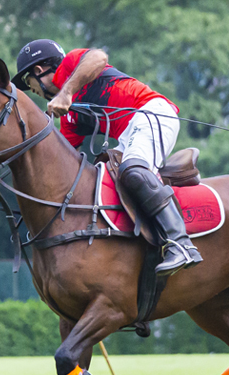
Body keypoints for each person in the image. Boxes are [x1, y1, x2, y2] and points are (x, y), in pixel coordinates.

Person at [12, 39, 202, 277]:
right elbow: (61, 160)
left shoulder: (71, 64)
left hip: (152, 112)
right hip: (128, 134)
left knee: (133, 169)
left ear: (39, 71)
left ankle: (181, 244)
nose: (33, 91)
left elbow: (99, 56)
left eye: (30, 84)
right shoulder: (68, 120)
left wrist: (66, 93)